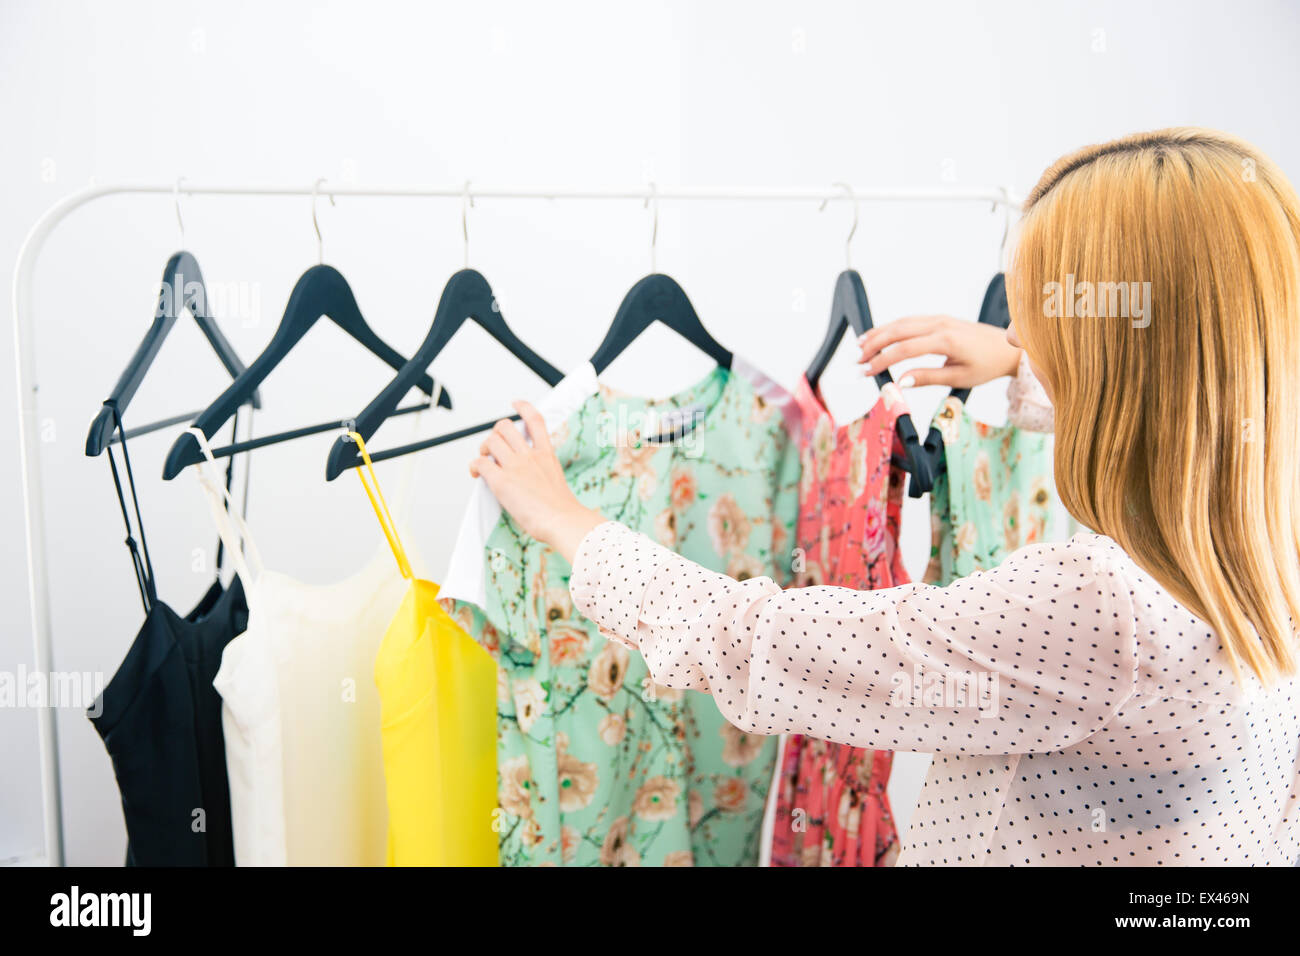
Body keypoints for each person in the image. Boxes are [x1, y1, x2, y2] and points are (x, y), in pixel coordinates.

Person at [469, 128, 1300, 866]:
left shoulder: (1099, 607)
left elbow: (757, 643)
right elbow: (1187, 406)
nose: (1019, 333)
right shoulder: (1269, 546)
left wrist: (570, 523)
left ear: (1116, 349)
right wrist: (1022, 370)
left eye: (1045, 318)